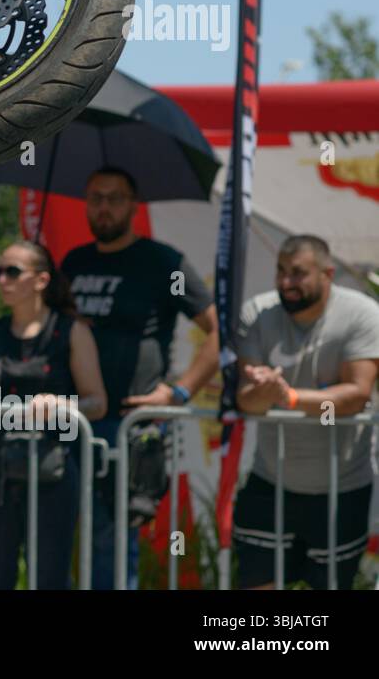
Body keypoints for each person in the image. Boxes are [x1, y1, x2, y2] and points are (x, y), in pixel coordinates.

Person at [59, 166, 219, 589]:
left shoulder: (164, 262)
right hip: (71, 420)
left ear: (133, 206)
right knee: (59, 536)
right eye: (95, 197)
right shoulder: (74, 262)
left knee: (112, 545)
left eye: (114, 198)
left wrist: (179, 390)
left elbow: (223, 333)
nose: (104, 207)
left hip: (129, 427)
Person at [0, 240, 105, 589]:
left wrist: (63, 405)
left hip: (54, 469)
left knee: (50, 576)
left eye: (12, 272)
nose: (2, 280)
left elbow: (98, 403)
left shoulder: (71, 330)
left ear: (41, 280)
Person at [233, 235, 379, 589]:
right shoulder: (257, 312)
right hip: (271, 482)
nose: (286, 283)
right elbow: (246, 400)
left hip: (343, 488)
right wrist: (263, 391)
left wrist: (290, 397)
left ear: (328, 274)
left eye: (298, 274)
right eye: (280, 272)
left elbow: (357, 395)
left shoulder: (362, 314)